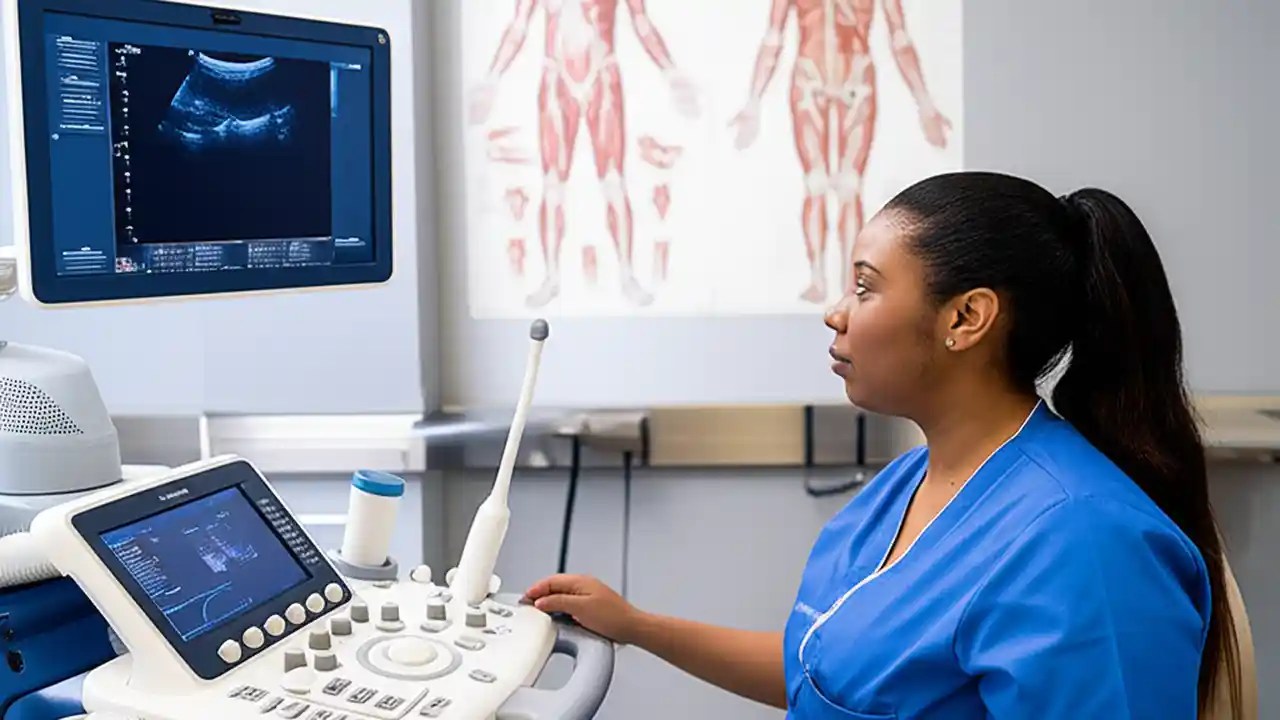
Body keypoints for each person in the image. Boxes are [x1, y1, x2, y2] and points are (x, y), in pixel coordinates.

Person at [524, 171, 1242, 718]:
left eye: (866, 288)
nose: (835, 313)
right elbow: (827, 675)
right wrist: (638, 626)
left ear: (967, 317)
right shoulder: (904, 487)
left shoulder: (1085, 541)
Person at [730, 0, 951, 304]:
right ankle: (818, 277)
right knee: (815, 183)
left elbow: (899, 36)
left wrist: (925, 105)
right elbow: (773, 37)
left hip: (856, 79)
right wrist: (752, 103)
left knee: (850, 186)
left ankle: (851, 285)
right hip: (810, 79)